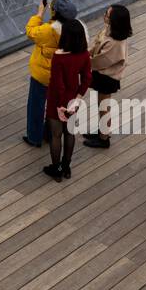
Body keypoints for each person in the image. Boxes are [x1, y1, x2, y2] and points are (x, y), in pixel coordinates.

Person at [23, 0, 86, 148]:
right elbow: (59, 15)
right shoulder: (76, 31)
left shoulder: (48, 30)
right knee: (53, 108)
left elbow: (30, 32)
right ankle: (50, 134)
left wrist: (39, 13)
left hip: (43, 76)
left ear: (55, 13)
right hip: (62, 77)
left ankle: (34, 138)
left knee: (36, 107)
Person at [43, 18, 92, 181]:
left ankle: (56, 170)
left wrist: (59, 106)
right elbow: (86, 78)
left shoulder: (59, 56)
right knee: (69, 133)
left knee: (56, 135)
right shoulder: (84, 54)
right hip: (73, 99)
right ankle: (66, 167)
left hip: (57, 100)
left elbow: (58, 85)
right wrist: (77, 100)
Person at [83, 4, 132, 149]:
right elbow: (97, 44)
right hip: (103, 74)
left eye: (107, 15)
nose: (104, 16)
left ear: (114, 21)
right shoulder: (111, 31)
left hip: (107, 77)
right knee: (102, 105)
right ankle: (101, 131)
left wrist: (83, 62)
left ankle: (104, 138)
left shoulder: (114, 43)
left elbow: (101, 60)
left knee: (104, 107)